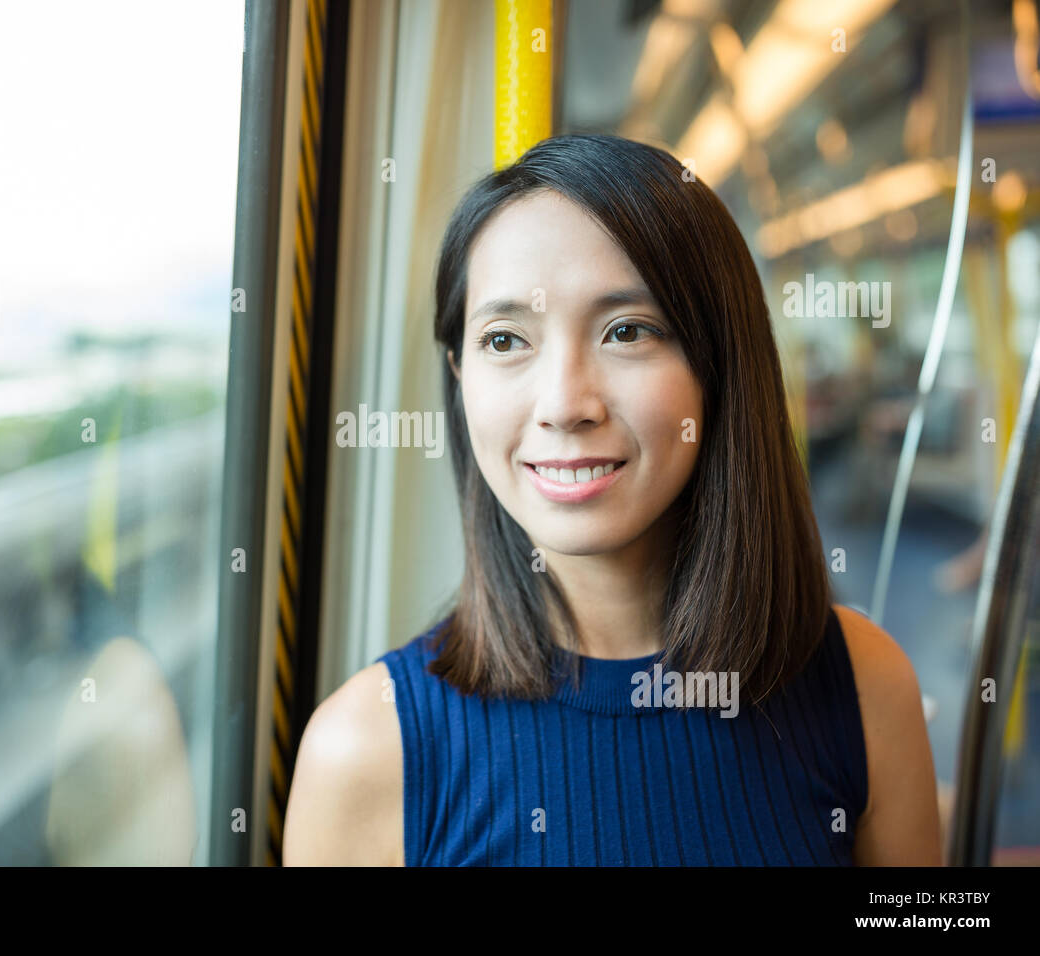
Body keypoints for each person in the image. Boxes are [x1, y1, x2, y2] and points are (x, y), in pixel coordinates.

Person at [282, 134, 941, 866]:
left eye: (627, 331)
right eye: (504, 341)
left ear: (723, 366)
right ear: (458, 375)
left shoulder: (863, 685)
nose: (565, 404)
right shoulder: (367, 751)